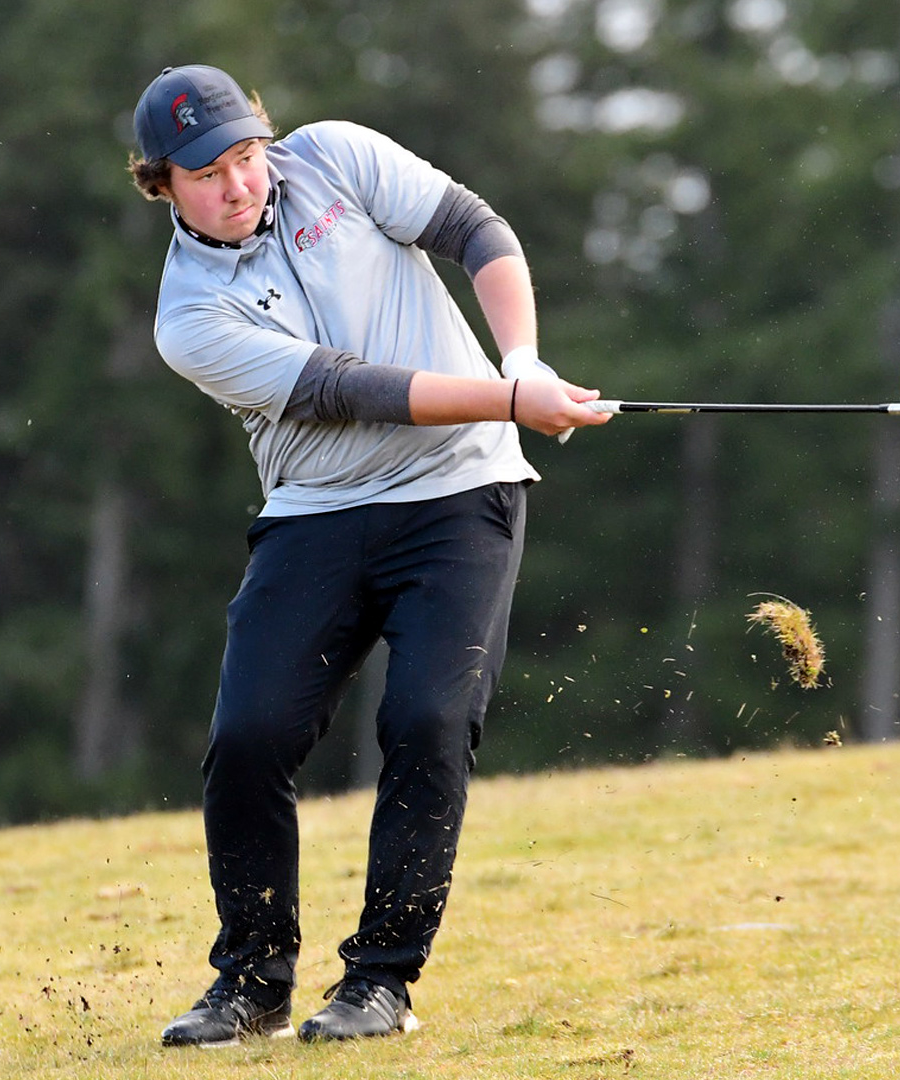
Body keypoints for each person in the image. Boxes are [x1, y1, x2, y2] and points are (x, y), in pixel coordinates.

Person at [124, 64, 610, 1044]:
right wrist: (516, 401)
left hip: (462, 491)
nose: (240, 185)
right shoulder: (189, 321)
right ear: (159, 184)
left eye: (247, 157)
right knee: (252, 737)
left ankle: (381, 982)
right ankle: (252, 980)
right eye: (207, 173)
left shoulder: (337, 156)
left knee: (430, 719)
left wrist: (520, 361)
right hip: (317, 513)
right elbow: (351, 389)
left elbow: (476, 230)